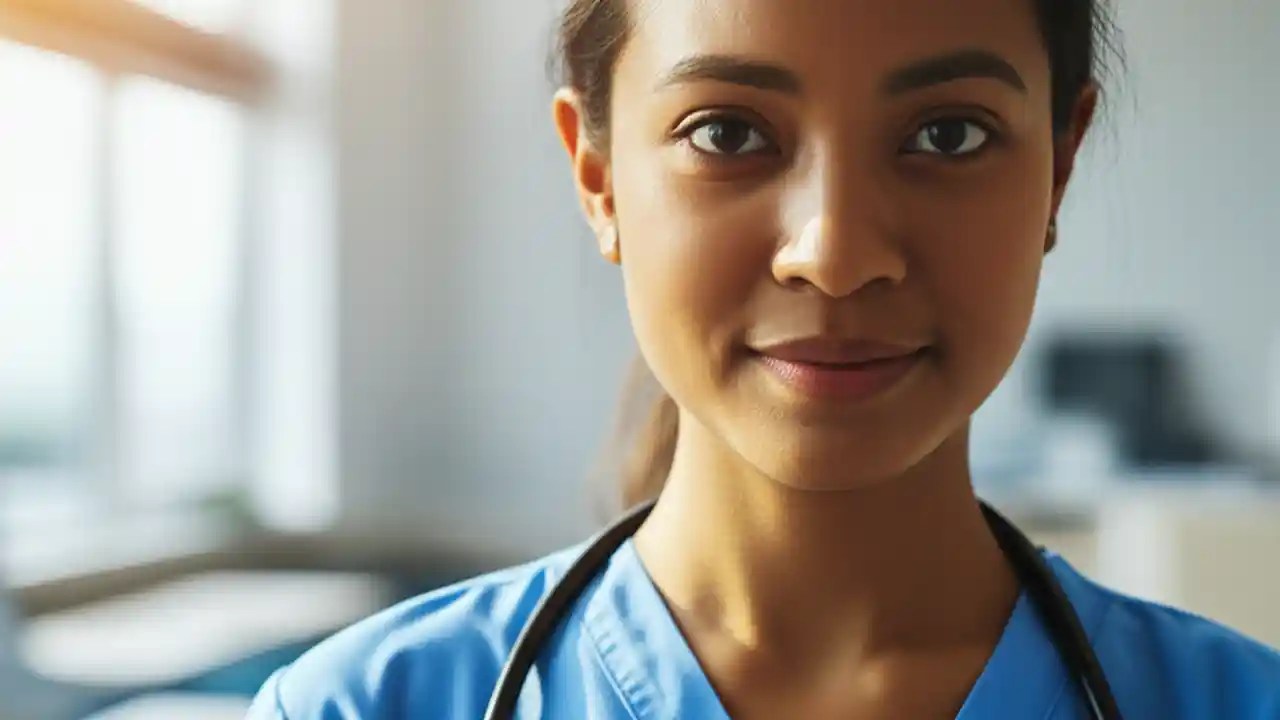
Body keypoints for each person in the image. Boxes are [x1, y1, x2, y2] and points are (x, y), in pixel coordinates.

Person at [247, 0, 1280, 717]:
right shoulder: (355, 708)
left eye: (949, 135)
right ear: (597, 175)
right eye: (728, 133)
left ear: (1055, 170)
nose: (833, 253)